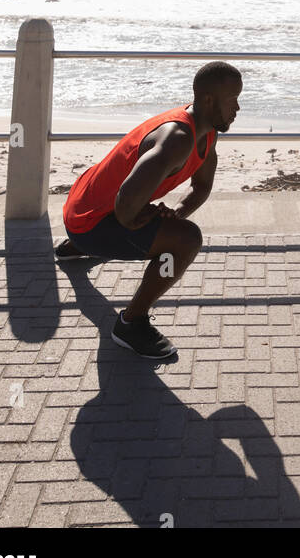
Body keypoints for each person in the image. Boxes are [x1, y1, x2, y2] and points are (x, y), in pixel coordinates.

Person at [54, 61, 242, 359]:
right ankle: (130, 324)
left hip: (83, 205)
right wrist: (135, 219)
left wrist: (174, 214)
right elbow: (126, 200)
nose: (238, 108)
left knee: (174, 228)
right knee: (186, 241)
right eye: (233, 99)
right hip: (90, 221)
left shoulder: (206, 131)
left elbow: (201, 187)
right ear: (209, 100)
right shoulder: (177, 140)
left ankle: (75, 246)